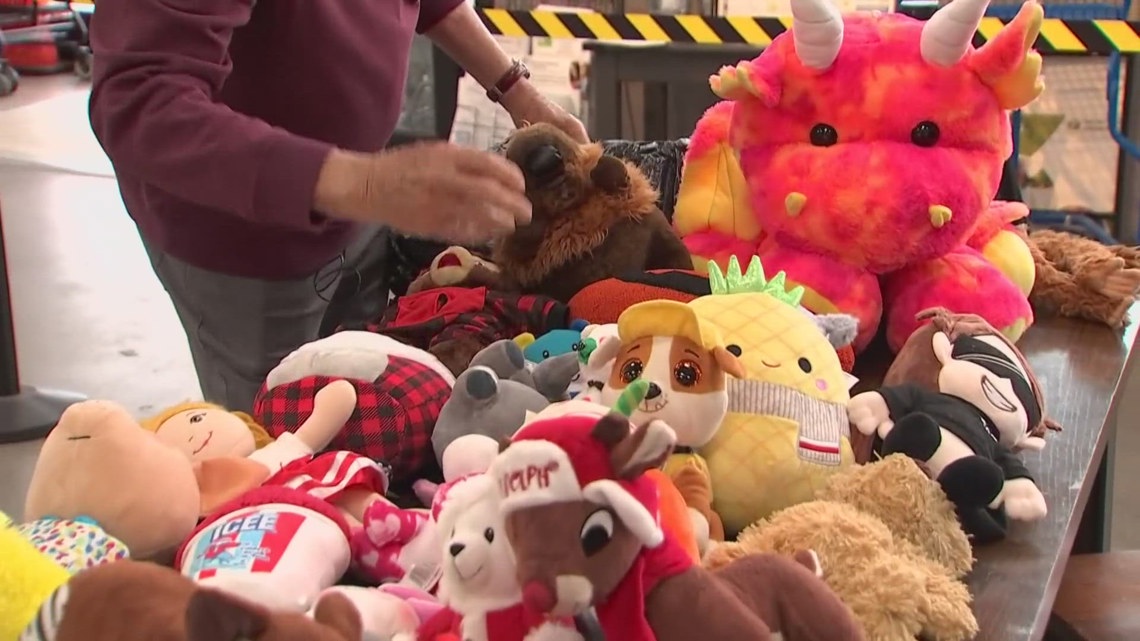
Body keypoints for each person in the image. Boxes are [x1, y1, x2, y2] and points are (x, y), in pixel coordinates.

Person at [88, 0, 589, 413]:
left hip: (357, 205)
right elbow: (139, 102)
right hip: (242, 244)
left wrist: (518, 92)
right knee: (281, 441)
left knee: (368, 397)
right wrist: (368, 184)